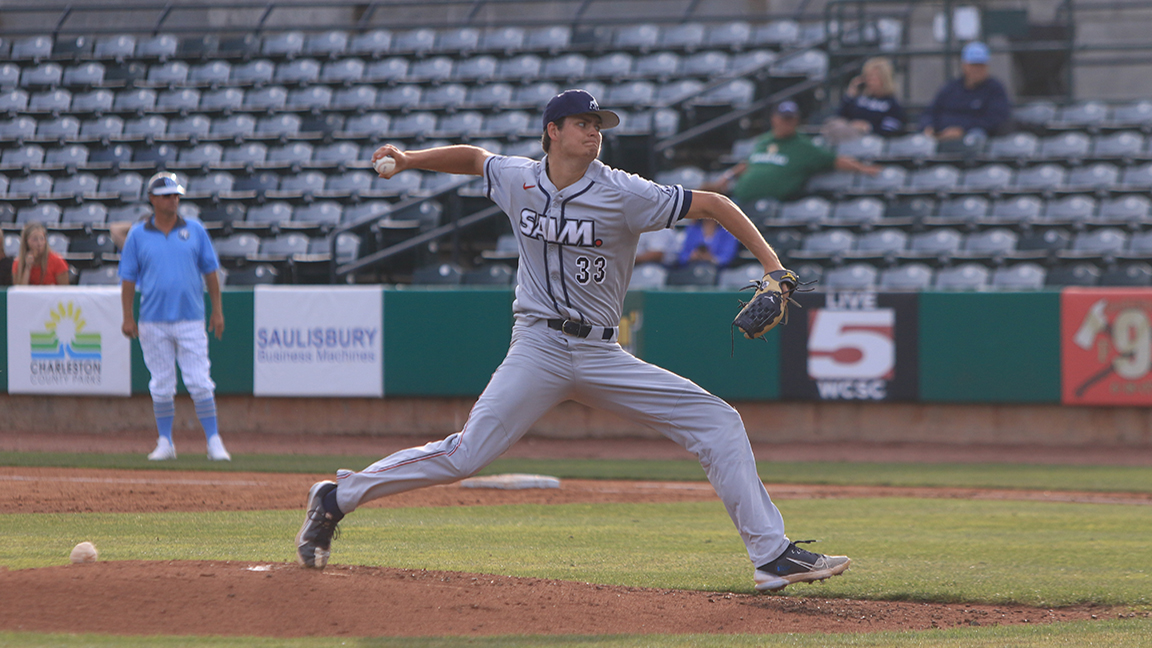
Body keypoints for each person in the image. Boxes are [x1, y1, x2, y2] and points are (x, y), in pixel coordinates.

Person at [295, 89, 851, 593]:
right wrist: (412, 159)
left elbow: (715, 204)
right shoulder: (519, 178)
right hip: (536, 347)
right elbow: (472, 158)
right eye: (582, 122)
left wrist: (775, 269)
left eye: (598, 124)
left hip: (600, 353)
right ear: (552, 132)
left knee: (717, 421)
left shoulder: (623, 192)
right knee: (466, 455)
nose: (594, 131)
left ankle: (771, 555)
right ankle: (337, 497)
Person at [118, 172, 231, 462]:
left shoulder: (195, 229)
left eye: (176, 195)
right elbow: (128, 278)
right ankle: (165, 441)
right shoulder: (137, 234)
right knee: (161, 382)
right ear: (153, 199)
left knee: (200, 380)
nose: (174, 200)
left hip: (190, 317)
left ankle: (214, 441)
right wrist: (127, 317)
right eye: (168, 195)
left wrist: (217, 310)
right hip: (152, 320)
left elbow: (211, 272)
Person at [704, 101, 880, 206]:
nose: (786, 123)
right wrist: (727, 177)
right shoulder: (764, 141)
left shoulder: (803, 146)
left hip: (770, 205)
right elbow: (749, 164)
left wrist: (864, 169)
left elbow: (834, 160)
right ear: (774, 119)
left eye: (790, 119)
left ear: (796, 120)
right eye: (783, 118)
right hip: (741, 199)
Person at [919, 41, 1012, 141]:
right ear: (964, 65)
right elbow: (930, 112)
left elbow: (996, 119)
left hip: (973, 137)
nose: (977, 69)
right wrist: (928, 126)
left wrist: (962, 129)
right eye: (973, 65)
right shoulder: (951, 87)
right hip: (941, 134)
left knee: (976, 137)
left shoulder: (995, 88)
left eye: (981, 65)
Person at [821, 57, 906, 144]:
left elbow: (891, 130)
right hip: (847, 135)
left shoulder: (891, 104)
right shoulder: (859, 99)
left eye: (874, 78)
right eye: (867, 77)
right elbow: (840, 115)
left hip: (869, 140)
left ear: (884, 79)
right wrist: (850, 94)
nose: (870, 81)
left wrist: (869, 127)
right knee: (832, 124)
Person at [12, 221, 70, 286]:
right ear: (26, 242)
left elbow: (65, 291)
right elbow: (20, 292)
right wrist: (27, 268)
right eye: (35, 239)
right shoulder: (18, 263)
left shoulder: (57, 262)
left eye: (42, 239)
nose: (39, 243)